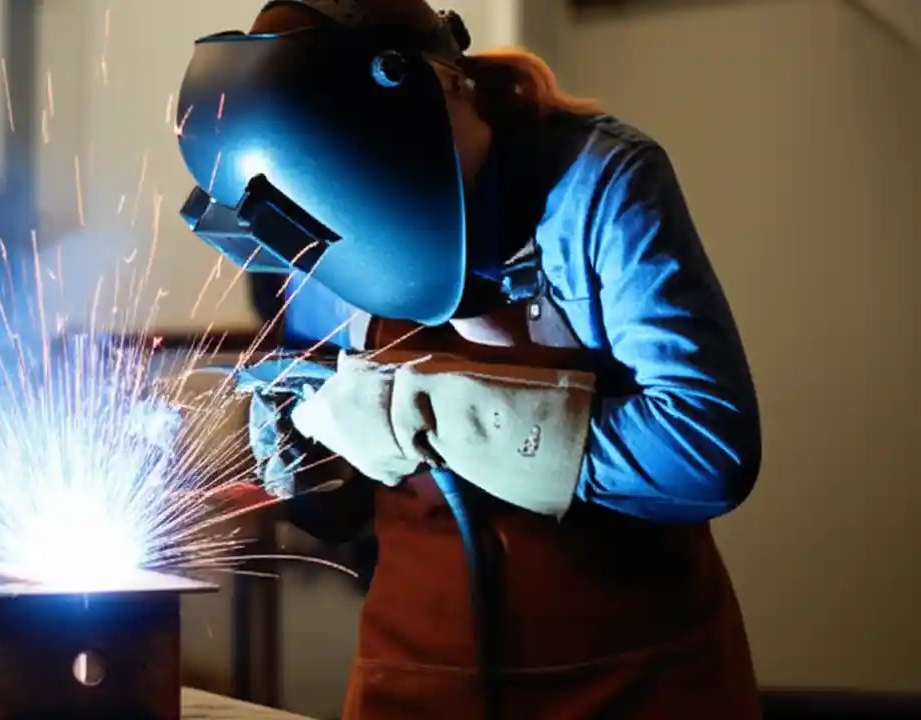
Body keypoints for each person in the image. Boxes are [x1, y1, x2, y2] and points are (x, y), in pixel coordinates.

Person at [176, 1, 763, 718]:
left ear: (439, 86)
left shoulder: (596, 187)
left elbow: (705, 449)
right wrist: (304, 453)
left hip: (634, 682)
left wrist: (441, 417)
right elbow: (338, 509)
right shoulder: (299, 205)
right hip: (416, 683)